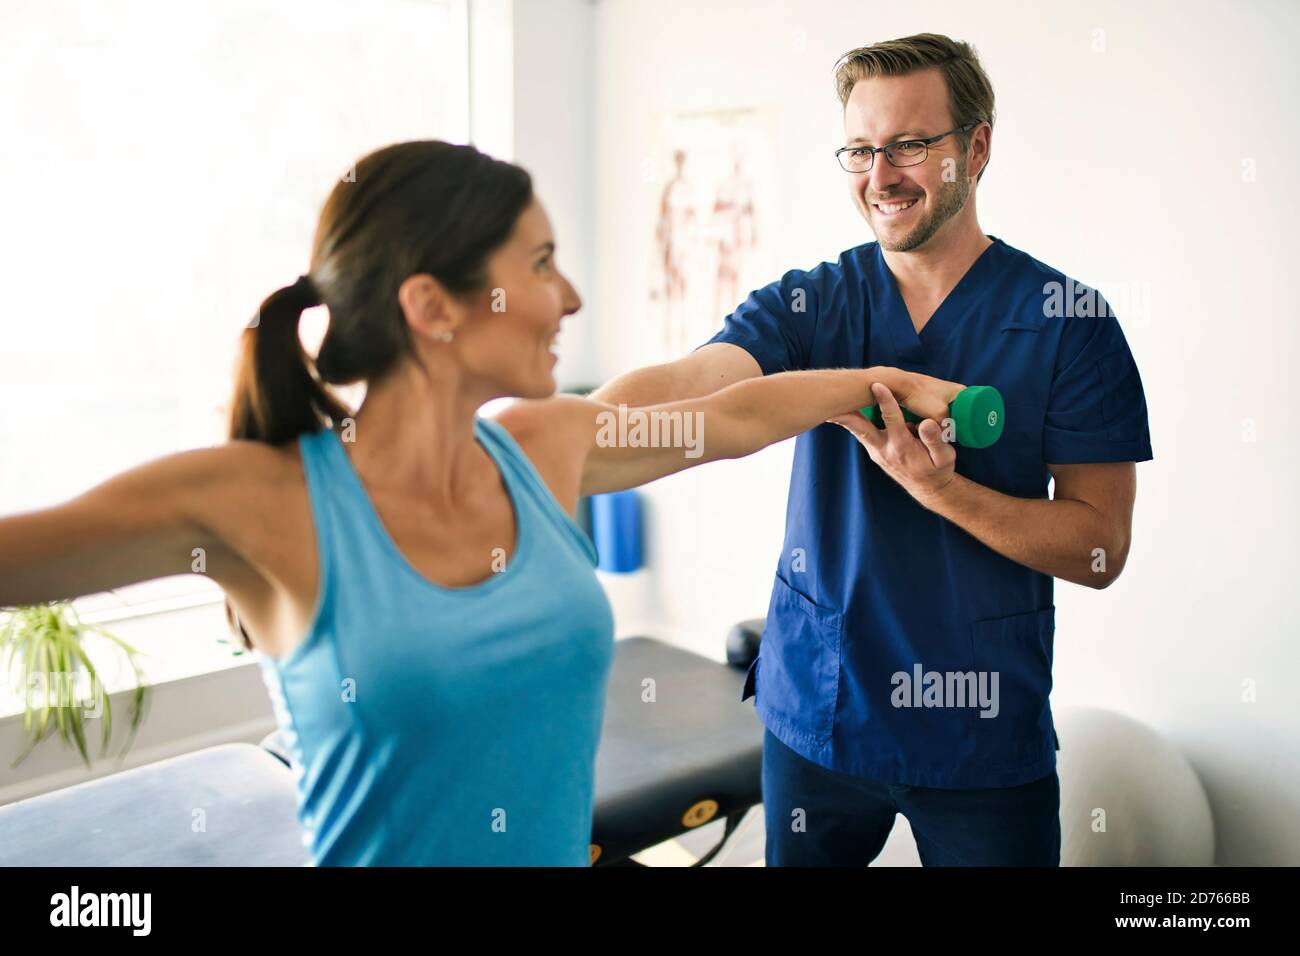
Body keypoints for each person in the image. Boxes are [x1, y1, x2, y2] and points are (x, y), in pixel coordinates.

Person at [0, 139, 961, 866]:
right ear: (434, 306)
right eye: (540, 265)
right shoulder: (261, 502)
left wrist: (875, 383)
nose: (571, 297)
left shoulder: (544, 447)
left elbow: (738, 413)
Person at [591, 33, 1154, 866]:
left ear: (977, 147)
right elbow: (693, 383)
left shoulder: (1068, 321)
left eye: (911, 146)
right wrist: (556, 434)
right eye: (860, 148)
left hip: (981, 737)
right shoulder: (814, 302)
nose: (880, 176)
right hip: (819, 715)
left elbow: (1100, 548)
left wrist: (945, 492)